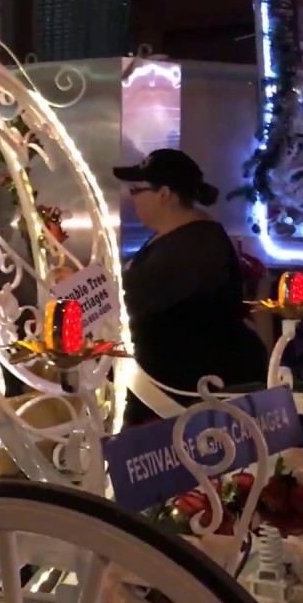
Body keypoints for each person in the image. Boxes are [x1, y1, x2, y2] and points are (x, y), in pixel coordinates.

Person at [113, 149, 268, 428]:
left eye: (136, 190)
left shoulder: (197, 246)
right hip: (166, 385)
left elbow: (132, 302)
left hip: (191, 396)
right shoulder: (174, 234)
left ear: (164, 194)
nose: (132, 198)